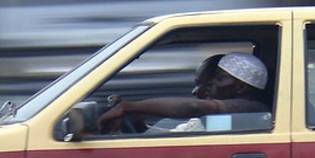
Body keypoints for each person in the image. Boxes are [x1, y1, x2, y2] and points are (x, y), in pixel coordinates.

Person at [98, 52, 269, 134]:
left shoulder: (250, 109)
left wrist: (128, 107)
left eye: (218, 79)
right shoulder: (219, 119)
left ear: (240, 87)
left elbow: (193, 106)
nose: (211, 86)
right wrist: (137, 122)